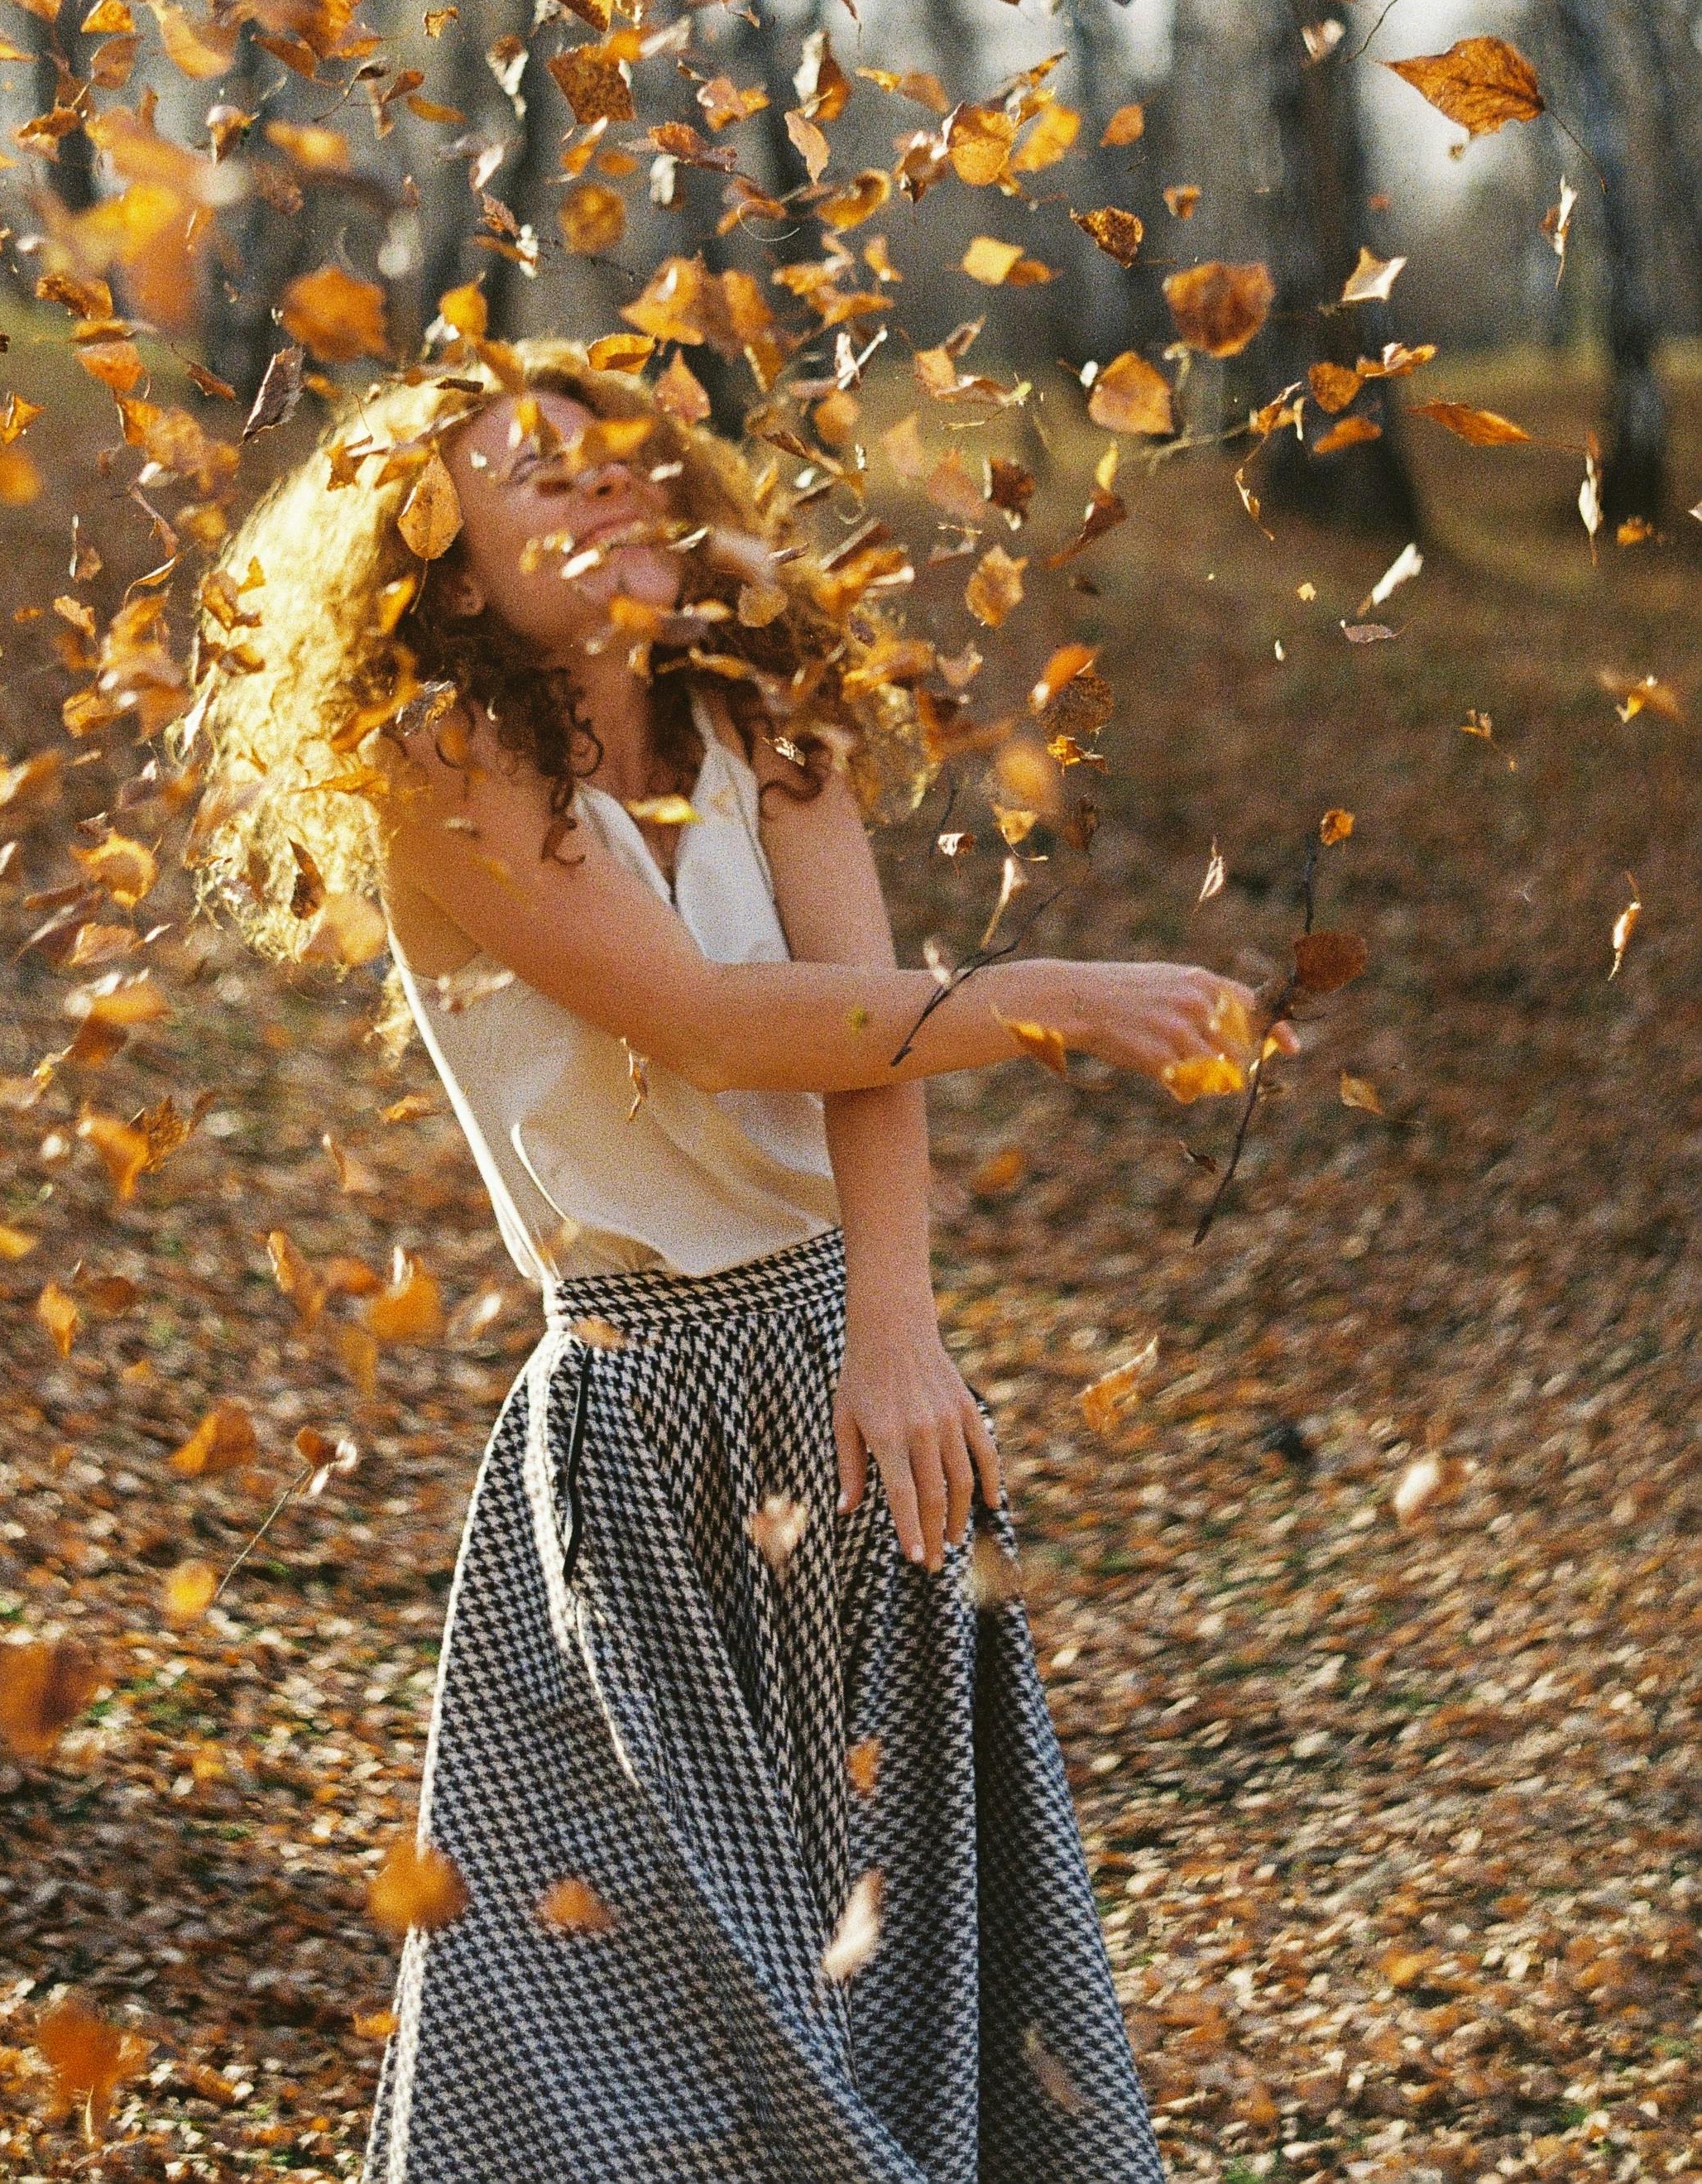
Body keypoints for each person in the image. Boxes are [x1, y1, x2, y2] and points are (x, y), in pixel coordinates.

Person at [176, 331, 1283, 2184]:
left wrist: (899, 1331)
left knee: (900, 1958)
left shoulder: (765, 713)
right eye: (550, 473)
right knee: (647, 1992)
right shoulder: (432, 758)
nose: (614, 485)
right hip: (636, 1414)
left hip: (849, 1386)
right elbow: (715, 1022)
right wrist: (1058, 997)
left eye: (628, 456)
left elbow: (873, 1033)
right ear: (447, 560)